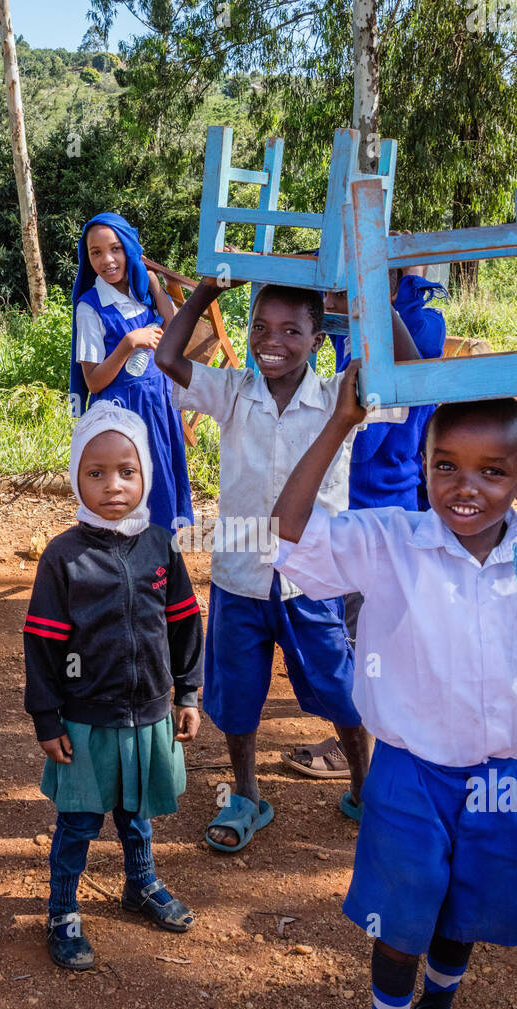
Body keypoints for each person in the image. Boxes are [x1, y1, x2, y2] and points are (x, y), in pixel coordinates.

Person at [272, 374, 517, 1009]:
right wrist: (343, 420)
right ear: (425, 463)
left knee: (467, 912)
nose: (465, 487)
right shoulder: (392, 540)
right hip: (408, 771)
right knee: (402, 920)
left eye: (492, 472)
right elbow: (290, 534)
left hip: (500, 774)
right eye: (445, 466)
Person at [155, 272, 419, 852]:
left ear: (320, 337)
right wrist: (206, 291)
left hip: (313, 584)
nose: (271, 341)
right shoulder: (232, 391)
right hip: (239, 579)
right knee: (239, 694)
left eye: (291, 330)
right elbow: (169, 358)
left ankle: (364, 787)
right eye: (260, 327)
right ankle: (247, 795)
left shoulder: (336, 398)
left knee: (341, 690)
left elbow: (408, 377)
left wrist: (366, 300)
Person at [23, 403, 204, 970]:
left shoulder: (160, 546)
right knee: (79, 819)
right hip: (85, 718)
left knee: (136, 811)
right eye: (95, 473)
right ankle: (61, 909)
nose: (113, 485)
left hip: (148, 712)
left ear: (147, 473)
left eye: (127, 470)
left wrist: (188, 692)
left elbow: (183, 622)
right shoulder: (63, 557)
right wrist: (47, 718)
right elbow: (42, 643)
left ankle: (141, 883)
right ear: (76, 476)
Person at [284, 267, 449, 809]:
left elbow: (401, 395)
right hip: (348, 494)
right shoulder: (346, 320)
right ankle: (369, 746)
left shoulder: (422, 323)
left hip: (383, 496)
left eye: (348, 274)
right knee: (356, 626)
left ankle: (370, 752)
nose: (336, 288)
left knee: (370, 634)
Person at [70, 213, 194, 532]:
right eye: (95, 252)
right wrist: (127, 343)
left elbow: (175, 330)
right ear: (88, 258)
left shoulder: (143, 290)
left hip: (159, 406)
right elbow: (94, 381)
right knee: (126, 492)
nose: (107, 260)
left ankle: (160, 566)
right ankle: (122, 569)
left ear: (129, 249)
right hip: (122, 415)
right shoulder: (90, 308)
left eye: (115, 249)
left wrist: (154, 285)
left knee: (162, 486)